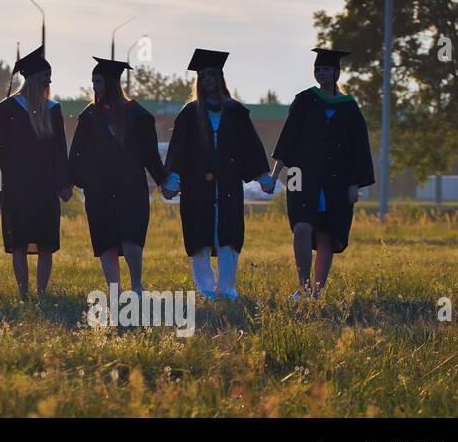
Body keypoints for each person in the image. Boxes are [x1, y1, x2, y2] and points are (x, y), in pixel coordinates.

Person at [162, 49, 273, 300]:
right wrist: (173, 179)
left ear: (220, 77)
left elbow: (251, 146)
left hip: (228, 185)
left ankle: (227, 289)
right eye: (202, 75)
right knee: (198, 235)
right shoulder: (190, 113)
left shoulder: (236, 113)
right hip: (196, 186)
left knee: (228, 237)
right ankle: (205, 290)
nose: (207, 78)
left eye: (211, 74)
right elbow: (178, 149)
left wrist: (262, 175)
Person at [270, 48, 375, 300]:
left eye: (326, 69)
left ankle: (317, 292)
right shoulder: (305, 100)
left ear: (337, 72)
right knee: (302, 228)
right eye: (318, 69)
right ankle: (304, 286)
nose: (321, 72)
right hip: (301, 176)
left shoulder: (349, 107)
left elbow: (359, 147)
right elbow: (288, 138)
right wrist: (274, 175)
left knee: (327, 234)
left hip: (337, 180)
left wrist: (355, 184)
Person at [69, 57, 167, 295]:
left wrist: (164, 181)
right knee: (106, 238)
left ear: (111, 83)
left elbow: (150, 155)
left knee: (131, 235)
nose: (94, 86)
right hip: (99, 187)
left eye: (99, 81)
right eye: (93, 81)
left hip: (130, 186)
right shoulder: (89, 116)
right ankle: (114, 290)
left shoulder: (139, 116)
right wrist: (76, 180)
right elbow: (77, 154)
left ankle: (136, 284)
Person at [0, 46, 72, 298]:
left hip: (45, 186)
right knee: (19, 243)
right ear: (33, 79)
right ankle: (23, 293)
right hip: (15, 187)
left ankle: (42, 293)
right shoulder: (6, 109)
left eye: (50, 78)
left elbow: (60, 151)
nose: (48, 82)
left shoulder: (52, 109)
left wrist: (64, 183)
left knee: (45, 242)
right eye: (45, 78)